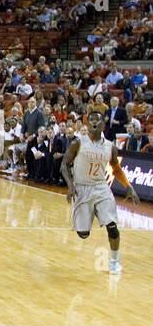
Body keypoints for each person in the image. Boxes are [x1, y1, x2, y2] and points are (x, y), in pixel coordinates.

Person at [62, 110, 135, 275]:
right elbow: (64, 165)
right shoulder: (78, 143)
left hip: (102, 188)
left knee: (112, 226)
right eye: (91, 120)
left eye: (98, 121)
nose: (94, 123)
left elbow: (116, 170)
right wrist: (71, 186)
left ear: (103, 125)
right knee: (83, 234)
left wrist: (128, 186)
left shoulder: (110, 147)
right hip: (82, 188)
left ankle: (114, 262)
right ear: (88, 124)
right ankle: (91, 215)